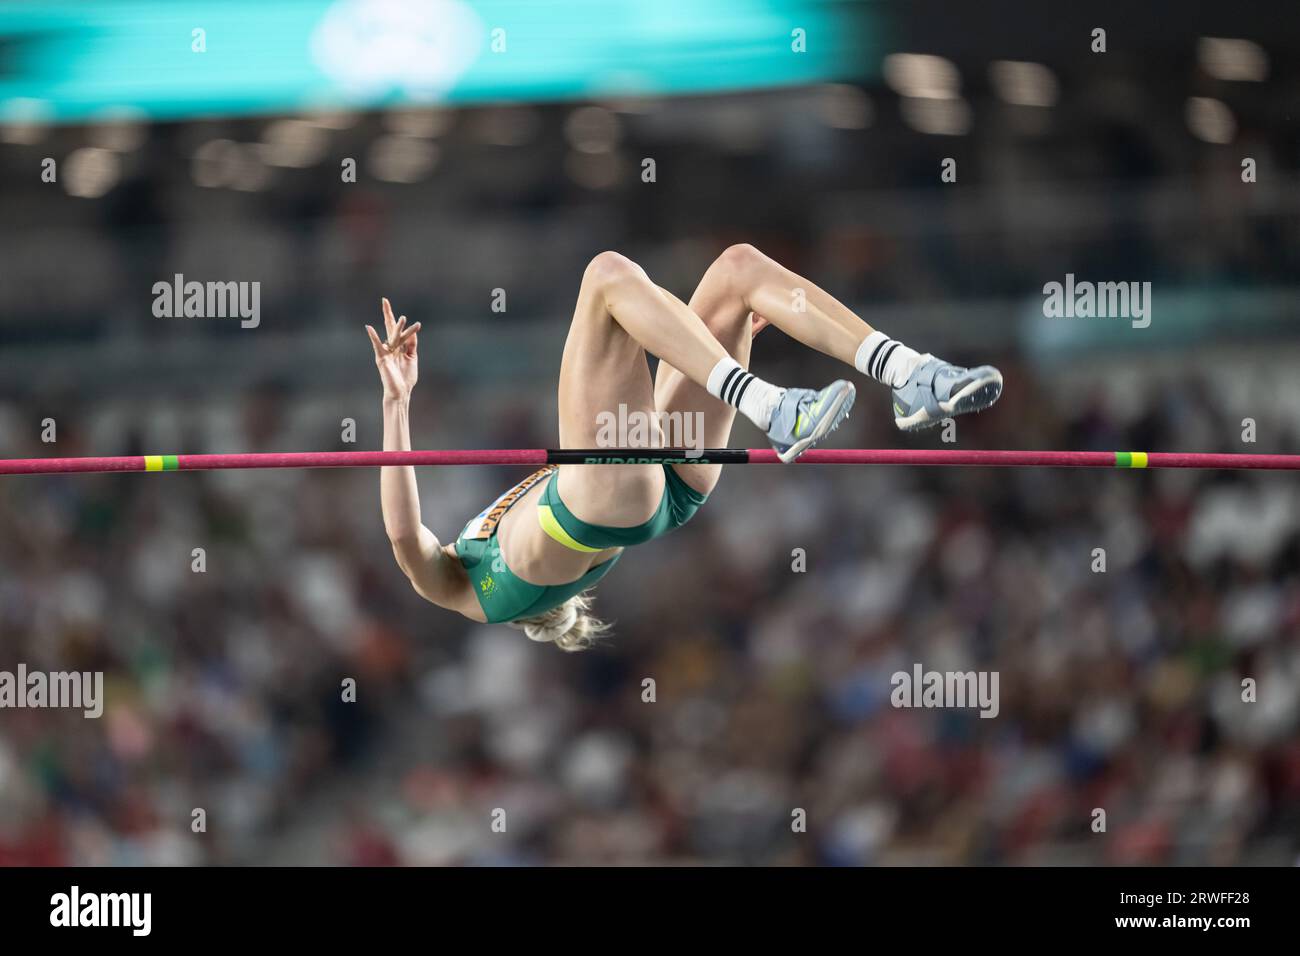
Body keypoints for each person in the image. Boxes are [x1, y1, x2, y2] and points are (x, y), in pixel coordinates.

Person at [366, 245, 1001, 650]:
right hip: (604, 497)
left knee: (737, 271)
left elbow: (410, 539)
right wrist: (397, 404)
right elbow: (402, 536)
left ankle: (911, 374)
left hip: (658, 478)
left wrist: (700, 343)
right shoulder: (469, 592)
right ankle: (767, 406)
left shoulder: (471, 558)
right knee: (606, 277)